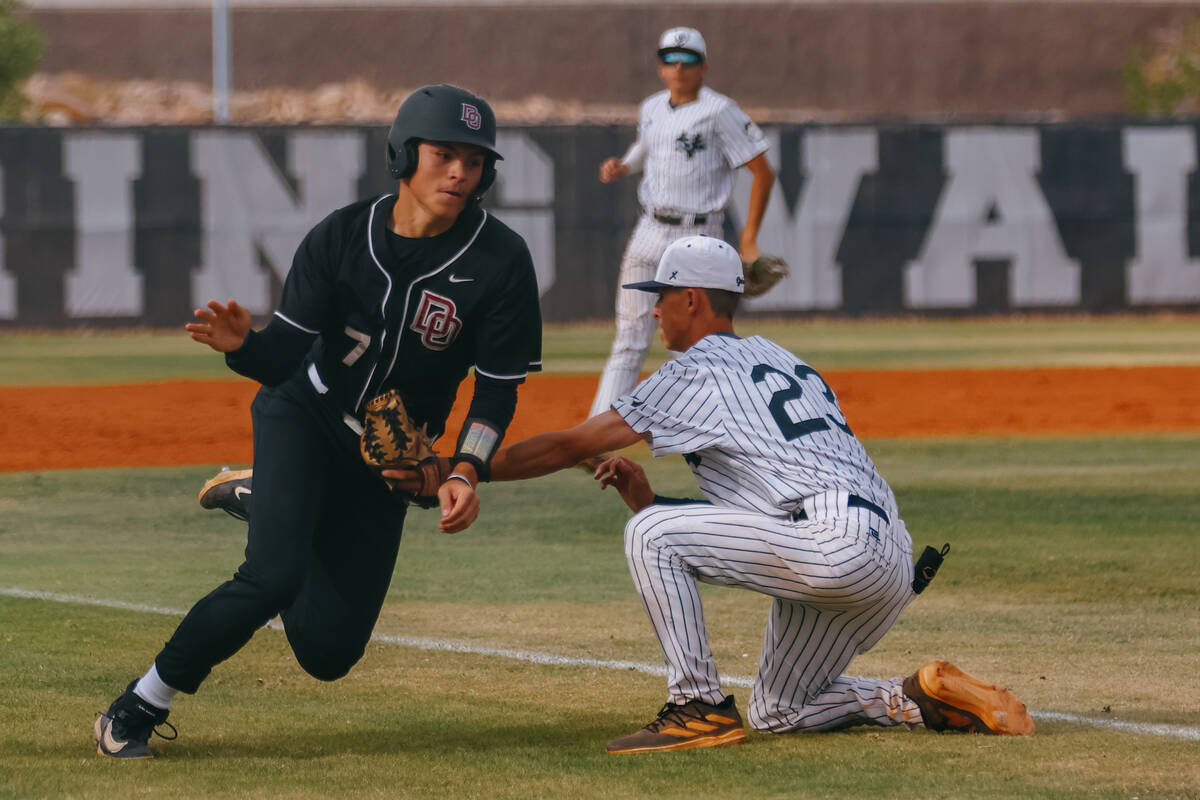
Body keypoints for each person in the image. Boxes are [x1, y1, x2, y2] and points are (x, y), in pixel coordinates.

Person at [400, 235, 1034, 753]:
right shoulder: (784, 359)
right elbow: (771, 505)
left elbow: (569, 444)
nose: (654, 311)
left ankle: (697, 706)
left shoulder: (696, 370)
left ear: (694, 300)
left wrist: (456, 469)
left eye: (663, 298)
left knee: (650, 539)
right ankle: (915, 697)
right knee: (781, 711)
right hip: (885, 559)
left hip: (833, 546)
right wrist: (650, 500)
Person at [92, 84, 543, 759]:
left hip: (390, 459)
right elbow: (282, 359)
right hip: (304, 415)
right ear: (404, 154)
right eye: (444, 155)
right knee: (270, 577)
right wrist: (244, 346)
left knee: (329, 654)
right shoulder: (341, 238)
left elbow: (497, 391)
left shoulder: (500, 261)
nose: (459, 173)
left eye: (474, 162)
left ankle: (266, 500)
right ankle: (136, 707)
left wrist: (468, 469)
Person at [589, 26, 775, 419]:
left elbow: (763, 172)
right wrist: (624, 165)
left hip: (699, 232)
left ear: (703, 66)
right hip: (650, 228)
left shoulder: (720, 111)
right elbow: (647, 146)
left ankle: (717, 423)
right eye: (669, 60)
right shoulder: (652, 107)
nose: (678, 67)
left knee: (694, 342)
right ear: (660, 67)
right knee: (629, 337)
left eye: (688, 59)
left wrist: (749, 239)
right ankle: (597, 434)